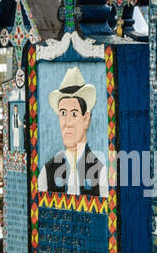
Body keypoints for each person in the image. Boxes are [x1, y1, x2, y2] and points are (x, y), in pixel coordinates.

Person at [38, 65, 110, 197]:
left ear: (86, 119)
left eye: (74, 114)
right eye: (63, 113)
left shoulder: (100, 172)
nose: (68, 123)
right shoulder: (47, 171)